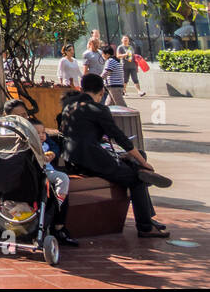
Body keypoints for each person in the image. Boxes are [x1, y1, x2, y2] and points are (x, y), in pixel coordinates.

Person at [58, 74, 171, 238]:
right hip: (91, 160)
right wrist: (142, 162)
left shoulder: (70, 105)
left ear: (82, 88)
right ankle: (145, 226)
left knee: (137, 163)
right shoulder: (98, 109)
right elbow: (119, 137)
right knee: (137, 179)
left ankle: (148, 214)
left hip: (72, 159)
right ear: (102, 91)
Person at [31, 119, 78, 246]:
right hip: (33, 176)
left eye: (43, 132)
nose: (41, 135)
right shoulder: (26, 144)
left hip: (47, 174)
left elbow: (54, 148)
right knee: (58, 183)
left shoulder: (46, 143)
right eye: (37, 133)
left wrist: (52, 154)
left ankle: (58, 224)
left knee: (61, 183)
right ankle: (54, 225)